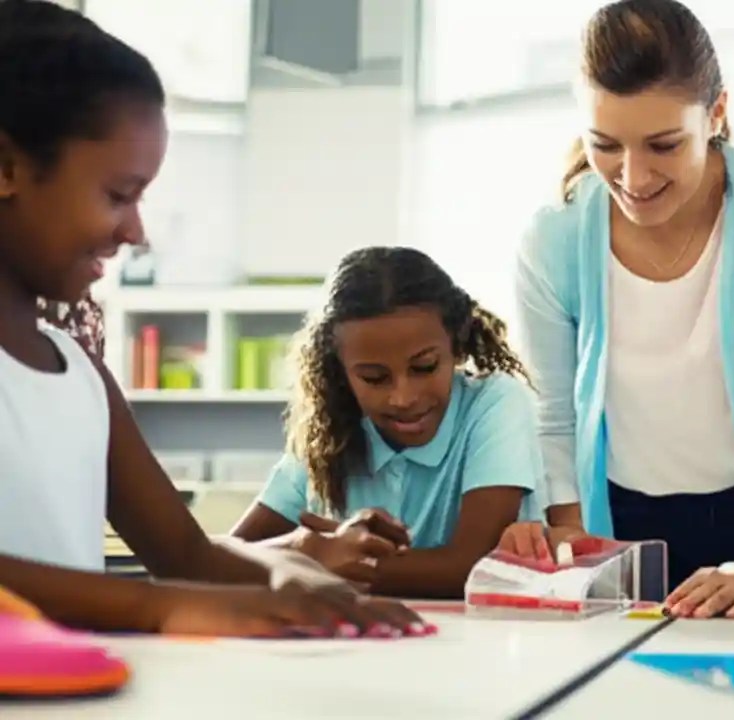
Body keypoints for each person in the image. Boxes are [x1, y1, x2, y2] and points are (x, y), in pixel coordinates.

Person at [0, 0, 420, 637]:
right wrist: (160, 607)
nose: (136, 231)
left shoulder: (79, 375)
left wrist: (302, 584)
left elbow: (187, 556)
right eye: (118, 195)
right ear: (6, 168)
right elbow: (167, 589)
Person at [501, 0, 734, 618]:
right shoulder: (552, 236)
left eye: (663, 145)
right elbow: (554, 417)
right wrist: (577, 544)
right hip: (621, 524)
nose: (632, 176)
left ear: (717, 113)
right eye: (605, 145)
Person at [231, 247, 545, 599]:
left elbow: (472, 568)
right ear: (341, 373)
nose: (403, 397)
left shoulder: (494, 403)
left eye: (424, 367)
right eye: (373, 378)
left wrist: (318, 564)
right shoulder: (329, 431)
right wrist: (303, 550)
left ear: (456, 345)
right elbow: (224, 559)